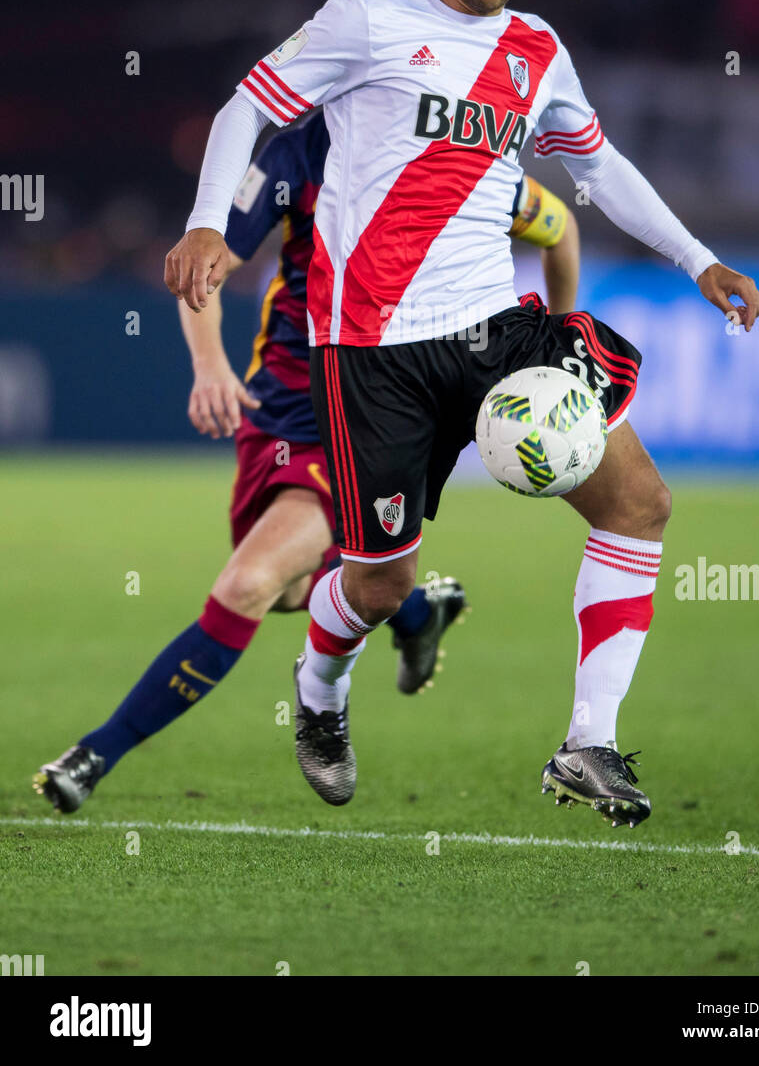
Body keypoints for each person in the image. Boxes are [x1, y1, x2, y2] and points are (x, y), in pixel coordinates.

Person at [165, 0, 759, 827]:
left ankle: (589, 743)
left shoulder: (536, 47)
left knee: (642, 502)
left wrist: (697, 258)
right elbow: (246, 106)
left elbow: (599, 169)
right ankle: (319, 695)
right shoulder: (367, 15)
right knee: (377, 580)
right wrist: (201, 219)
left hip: (495, 331)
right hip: (374, 355)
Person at [34, 109, 578, 813]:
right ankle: (414, 612)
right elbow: (207, 263)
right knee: (296, 591)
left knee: (248, 583)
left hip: (376, 409)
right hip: (280, 407)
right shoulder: (297, 157)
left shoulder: (456, 157)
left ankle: (92, 756)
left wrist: (553, 351)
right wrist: (208, 366)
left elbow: (558, 229)